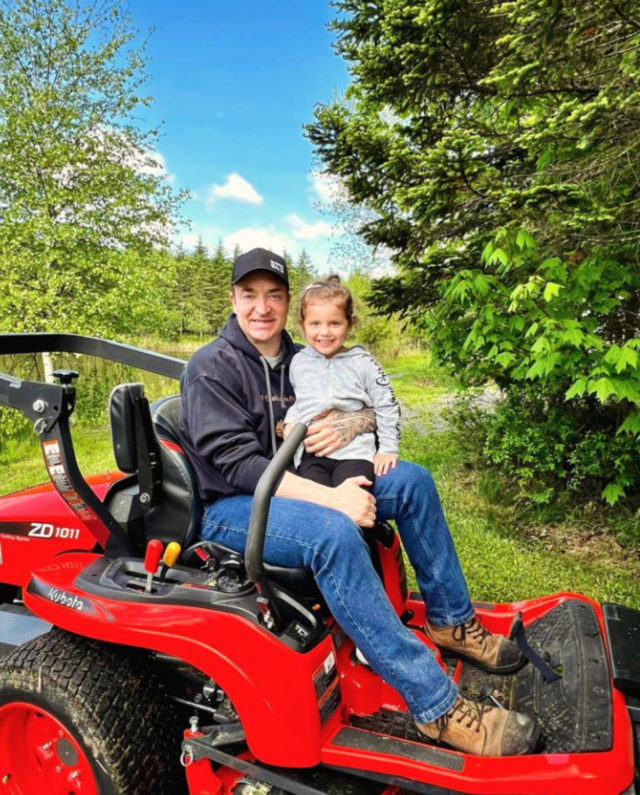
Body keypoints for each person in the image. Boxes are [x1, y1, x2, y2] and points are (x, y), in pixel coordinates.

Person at [179, 247, 539, 757]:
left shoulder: (299, 355)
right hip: (234, 506)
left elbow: (361, 404)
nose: (262, 308)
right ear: (233, 299)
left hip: (306, 477)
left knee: (411, 482)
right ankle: (436, 707)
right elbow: (239, 467)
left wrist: (359, 424)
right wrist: (332, 499)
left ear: (288, 304)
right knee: (333, 533)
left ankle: (450, 620)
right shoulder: (211, 368)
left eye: (274, 296)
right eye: (249, 295)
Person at [283, 275, 400, 490]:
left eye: (335, 323)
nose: (324, 332)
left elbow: (387, 405)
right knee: (318, 507)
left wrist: (388, 448)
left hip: (355, 455)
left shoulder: (364, 363)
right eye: (315, 324)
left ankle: (366, 525)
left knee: (353, 499)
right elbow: (301, 402)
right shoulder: (299, 362)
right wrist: (291, 423)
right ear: (302, 324)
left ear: (350, 324)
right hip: (313, 455)